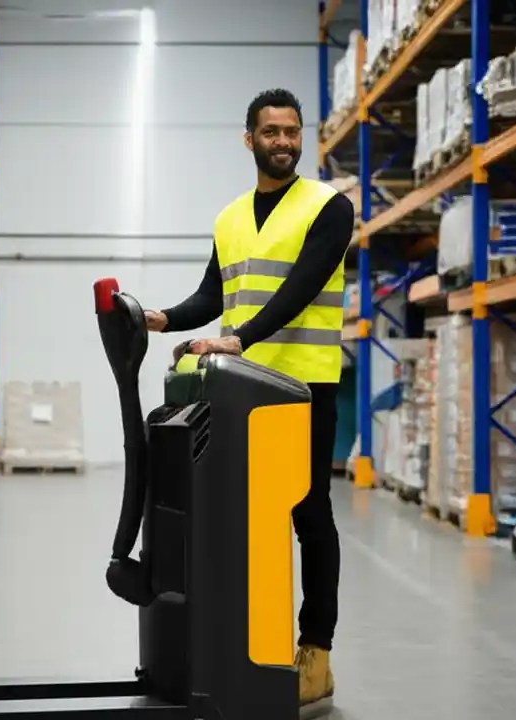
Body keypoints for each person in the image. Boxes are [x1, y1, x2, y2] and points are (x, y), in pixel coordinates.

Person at [144, 88, 353, 716]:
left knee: (308, 515)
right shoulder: (231, 218)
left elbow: (301, 287)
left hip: (304, 386)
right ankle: (244, 645)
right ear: (249, 139)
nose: (283, 142)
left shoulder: (328, 207)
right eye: (271, 132)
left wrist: (239, 338)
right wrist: (162, 318)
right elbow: (214, 296)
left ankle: (315, 654)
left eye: (292, 131)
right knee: (238, 519)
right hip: (241, 391)